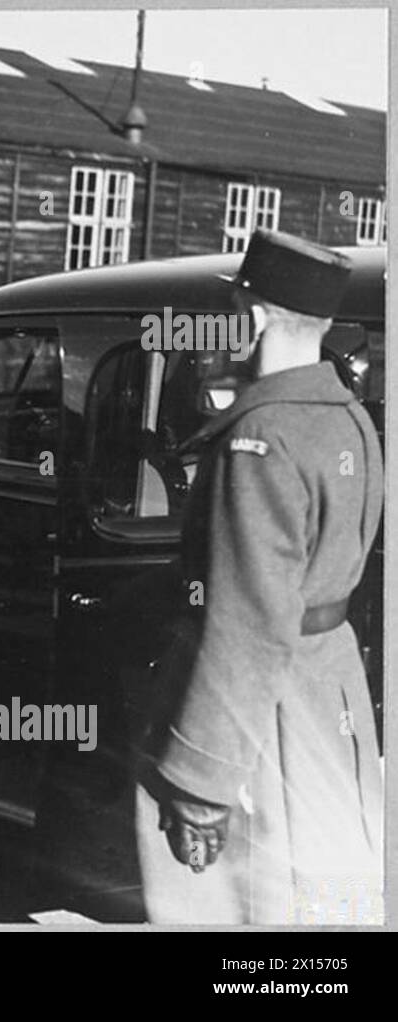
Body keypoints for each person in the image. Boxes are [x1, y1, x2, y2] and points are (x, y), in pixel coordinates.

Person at [136, 228, 383, 925]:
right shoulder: (350, 420)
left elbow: (246, 619)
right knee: (330, 906)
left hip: (254, 726)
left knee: (235, 921)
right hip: (329, 697)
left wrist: (203, 784)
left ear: (253, 315)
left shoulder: (261, 437)